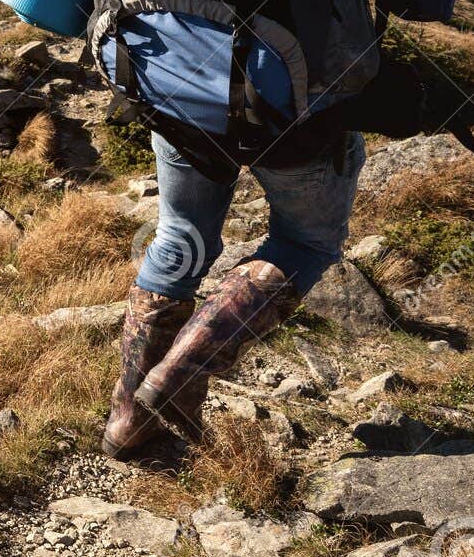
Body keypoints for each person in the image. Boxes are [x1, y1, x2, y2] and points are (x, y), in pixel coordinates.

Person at [101, 126, 366, 458]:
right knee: (304, 244)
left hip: (183, 108)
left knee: (179, 242)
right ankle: (180, 373)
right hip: (295, 124)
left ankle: (128, 421)